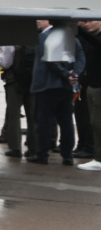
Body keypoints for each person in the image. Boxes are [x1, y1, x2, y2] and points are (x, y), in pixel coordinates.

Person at [29, 20, 85, 166]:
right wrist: (74, 74)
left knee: (44, 122)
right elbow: (81, 57)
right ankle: (67, 155)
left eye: (41, 18)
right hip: (66, 88)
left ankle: (42, 154)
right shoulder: (71, 37)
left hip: (46, 86)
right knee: (66, 122)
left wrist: (66, 74)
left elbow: (50, 60)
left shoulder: (43, 37)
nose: (37, 21)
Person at [0, 45, 36, 159]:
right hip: (32, 82)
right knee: (32, 117)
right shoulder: (35, 41)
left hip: (14, 82)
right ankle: (33, 148)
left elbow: (5, 63)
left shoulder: (11, 43)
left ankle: (15, 148)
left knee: (14, 115)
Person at [78, 21, 101, 161]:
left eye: (91, 20)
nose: (88, 24)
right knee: (92, 121)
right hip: (91, 85)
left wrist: (78, 29)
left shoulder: (94, 39)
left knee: (97, 122)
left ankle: (98, 157)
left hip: (98, 87)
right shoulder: (91, 40)